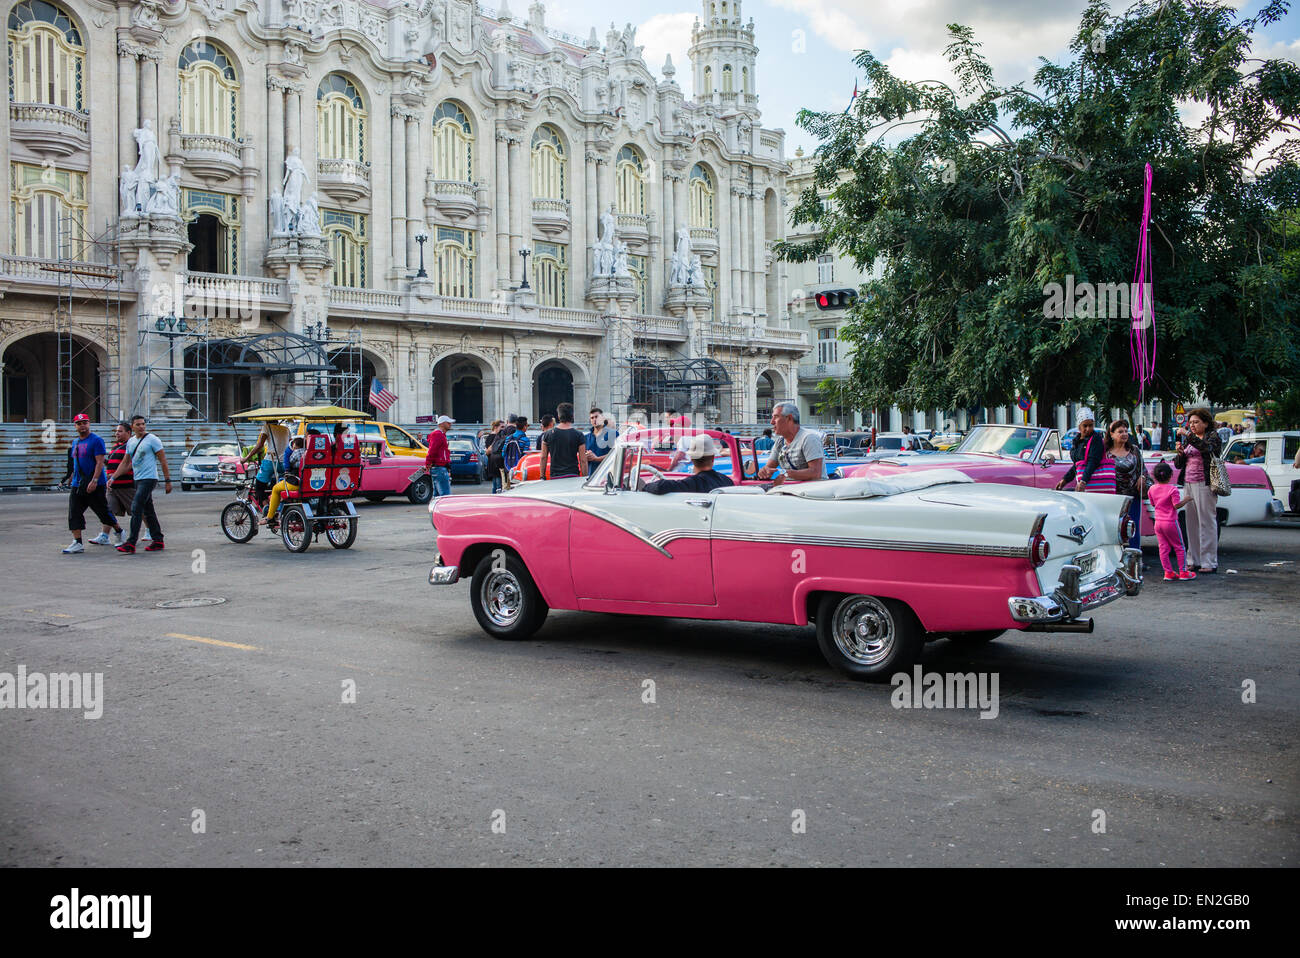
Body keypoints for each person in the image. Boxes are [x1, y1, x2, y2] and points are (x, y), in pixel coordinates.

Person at [62, 414, 124, 553]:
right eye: (79, 423)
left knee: (102, 511)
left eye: (84, 423)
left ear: (89, 424)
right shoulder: (75, 443)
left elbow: (100, 462)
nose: (82, 426)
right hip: (78, 484)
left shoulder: (96, 440)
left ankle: (119, 531)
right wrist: (72, 477)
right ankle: (77, 542)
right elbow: (77, 463)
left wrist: (95, 480)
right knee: (74, 512)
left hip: (95, 483)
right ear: (75, 426)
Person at [110, 414, 170, 553]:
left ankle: (131, 543)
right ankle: (158, 540)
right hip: (137, 479)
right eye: (138, 424)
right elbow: (125, 463)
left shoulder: (153, 440)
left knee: (136, 507)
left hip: (149, 479)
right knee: (149, 510)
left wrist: (167, 480)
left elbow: (163, 460)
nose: (142, 426)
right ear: (132, 427)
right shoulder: (131, 442)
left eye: (143, 424)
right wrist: (113, 478)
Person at [1175, 407, 1223, 573]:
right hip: (1188, 482)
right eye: (1191, 422)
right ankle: (1193, 559)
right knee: (1191, 523)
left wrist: (1189, 436)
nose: (1192, 425)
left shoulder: (1212, 437)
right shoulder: (1190, 440)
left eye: (1196, 422)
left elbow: (1207, 449)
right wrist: (1180, 453)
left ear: (1206, 423)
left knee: (1207, 522)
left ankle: (1209, 561)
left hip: (1205, 483)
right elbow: (1178, 464)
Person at [1106, 419, 1150, 550]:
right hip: (1112, 497)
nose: (1124, 434)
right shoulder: (1105, 453)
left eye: (1126, 431)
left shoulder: (1134, 450)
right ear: (1112, 434)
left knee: (1133, 525)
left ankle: (1135, 557)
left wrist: (1142, 477)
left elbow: (1144, 469)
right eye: (1120, 431)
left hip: (1132, 495)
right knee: (1113, 527)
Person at [757, 401, 824, 485]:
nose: (772, 422)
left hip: (812, 493)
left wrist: (786, 473)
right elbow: (769, 468)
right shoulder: (780, 442)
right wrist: (764, 472)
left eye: (776, 417)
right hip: (792, 491)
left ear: (789, 418)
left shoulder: (808, 438)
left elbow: (816, 473)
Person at [1148, 462, 1195, 581]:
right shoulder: (1172, 489)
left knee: (1163, 548)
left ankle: (1168, 572)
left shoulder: (1152, 488)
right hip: (1170, 522)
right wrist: (1187, 499)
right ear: (1171, 475)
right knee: (1179, 547)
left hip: (1158, 522)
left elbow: (1153, 503)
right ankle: (1183, 572)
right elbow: (1176, 505)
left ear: (1154, 476)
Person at [642, 435, 733, 494]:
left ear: (692, 459)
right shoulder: (727, 481)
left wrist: (644, 486)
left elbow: (660, 486)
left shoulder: (692, 483)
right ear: (713, 458)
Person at [1056, 408, 1104, 491]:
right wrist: (1065, 480)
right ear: (1079, 427)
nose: (1088, 429)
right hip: (1083, 483)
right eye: (1085, 426)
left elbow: (1092, 462)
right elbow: (1077, 465)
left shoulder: (1096, 439)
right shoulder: (1076, 441)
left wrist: (1083, 481)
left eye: (1091, 425)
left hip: (1090, 484)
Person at [263, 435, 305, 528]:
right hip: (310, 484)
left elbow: (289, 462)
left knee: (275, 488)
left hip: (297, 483)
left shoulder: (296, 452)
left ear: (294, 445)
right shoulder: (309, 453)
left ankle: (270, 517)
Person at [539, 403, 587, 480]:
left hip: (555, 476)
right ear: (572, 416)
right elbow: (583, 460)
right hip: (573, 475)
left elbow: (543, 457)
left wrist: (542, 476)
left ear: (558, 416)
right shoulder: (579, 435)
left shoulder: (547, 435)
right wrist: (584, 478)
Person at [104, 422, 134, 534]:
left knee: (137, 511)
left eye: (120, 431)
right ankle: (104, 535)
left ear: (129, 433)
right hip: (112, 485)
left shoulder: (131, 446)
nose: (117, 433)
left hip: (126, 485)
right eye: (116, 431)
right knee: (108, 510)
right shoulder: (115, 447)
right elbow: (112, 463)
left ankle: (149, 530)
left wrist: (115, 475)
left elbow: (129, 464)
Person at [422, 415, 454, 498]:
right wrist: (427, 463)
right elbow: (432, 451)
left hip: (438, 467)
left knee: (437, 495)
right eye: (448, 422)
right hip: (440, 468)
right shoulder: (438, 435)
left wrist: (428, 464)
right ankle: (445, 510)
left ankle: (435, 510)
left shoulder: (439, 434)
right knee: (445, 495)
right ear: (442, 424)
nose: (450, 424)